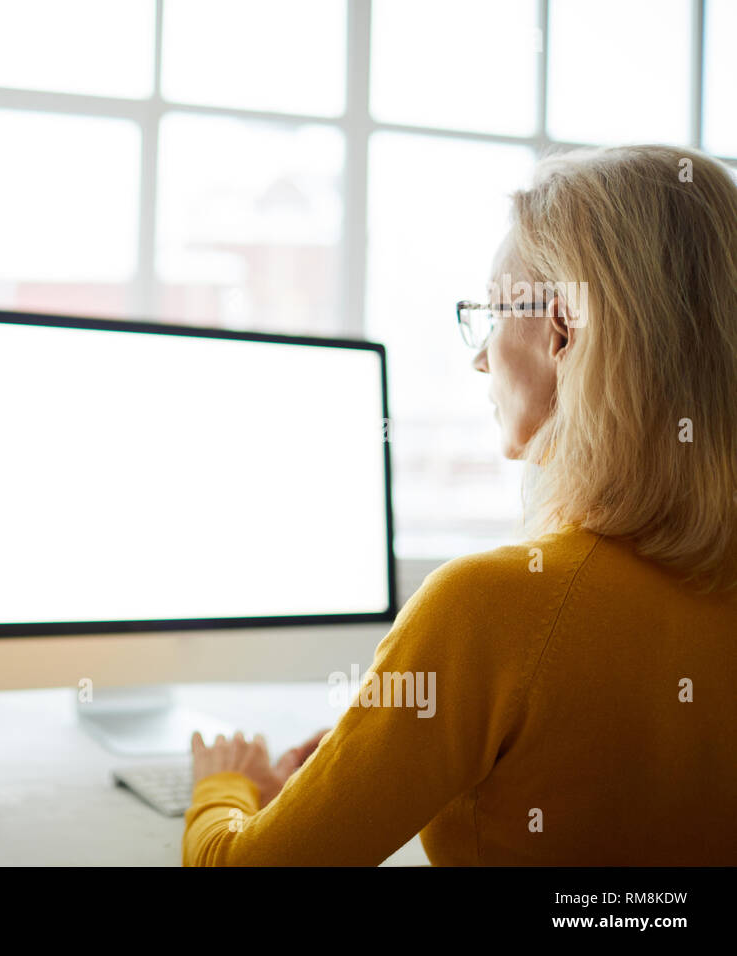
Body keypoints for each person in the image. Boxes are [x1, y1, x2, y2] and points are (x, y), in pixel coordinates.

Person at [183, 144, 737, 866]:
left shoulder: (492, 607)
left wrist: (228, 783)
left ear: (562, 330)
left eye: (490, 313)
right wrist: (391, 761)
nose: (479, 357)